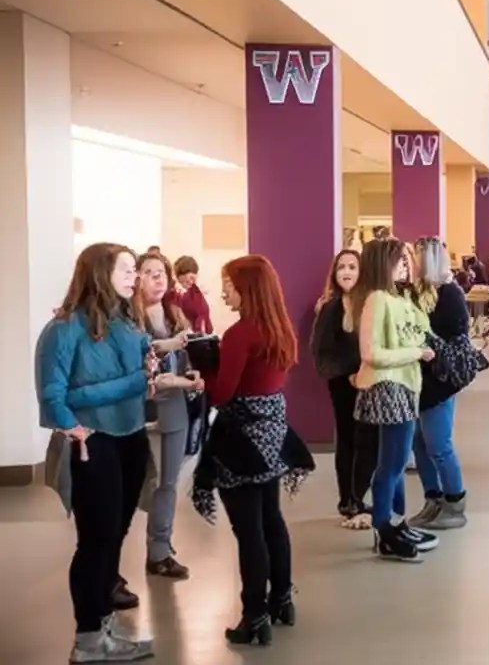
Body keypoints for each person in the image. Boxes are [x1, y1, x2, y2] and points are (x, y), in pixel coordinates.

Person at [37, 243, 156, 663]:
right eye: (125, 269)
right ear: (99, 273)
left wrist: (148, 373)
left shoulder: (127, 321)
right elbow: (53, 396)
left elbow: (139, 378)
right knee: (96, 541)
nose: (134, 276)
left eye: (135, 270)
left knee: (115, 537)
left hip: (130, 437)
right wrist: (75, 423)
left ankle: (103, 626)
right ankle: (88, 641)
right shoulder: (64, 327)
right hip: (94, 442)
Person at [191, 255, 314, 646]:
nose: (223, 290)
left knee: (248, 531)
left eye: (227, 283)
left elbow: (223, 392)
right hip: (272, 430)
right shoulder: (278, 327)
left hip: (242, 436)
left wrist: (202, 372)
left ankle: (253, 614)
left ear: (246, 289)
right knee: (271, 520)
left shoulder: (241, 333)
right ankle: (281, 599)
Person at [351, 238, 438, 561]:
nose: (405, 265)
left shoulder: (396, 297)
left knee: (396, 461)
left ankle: (395, 521)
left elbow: (420, 328)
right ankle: (385, 527)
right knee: (392, 463)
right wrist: (416, 352)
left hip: (404, 385)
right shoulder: (376, 299)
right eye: (399, 260)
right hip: (388, 386)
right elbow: (371, 353)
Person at [134, 253, 204, 580]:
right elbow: (140, 356)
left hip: (175, 406)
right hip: (142, 410)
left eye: (161, 273)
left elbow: (184, 358)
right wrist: (168, 346)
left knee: (168, 483)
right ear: (137, 279)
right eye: (149, 273)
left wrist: (193, 375)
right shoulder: (129, 319)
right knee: (145, 482)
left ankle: (159, 550)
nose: (157, 279)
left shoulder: (174, 314)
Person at [407, 238, 472, 530]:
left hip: (439, 380)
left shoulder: (449, 294)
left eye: (415, 256)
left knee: (438, 444)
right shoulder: (412, 293)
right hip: (417, 378)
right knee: (419, 443)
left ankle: (455, 502)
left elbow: (455, 335)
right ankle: (432, 498)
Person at [311, 249, 378, 528]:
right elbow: (321, 351)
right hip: (344, 385)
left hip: (371, 384)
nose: (347, 272)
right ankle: (348, 500)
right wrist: (348, 374)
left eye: (352, 266)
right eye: (342, 267)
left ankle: (361, 496)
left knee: (370, 441)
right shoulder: (331, 308)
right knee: (349, 439)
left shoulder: (371, 305)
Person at [173, 255, 213, 334]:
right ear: (181, 274)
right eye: (191, 278)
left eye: (194, 279)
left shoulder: (195, 291)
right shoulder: (174, 293)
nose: (192, 282)